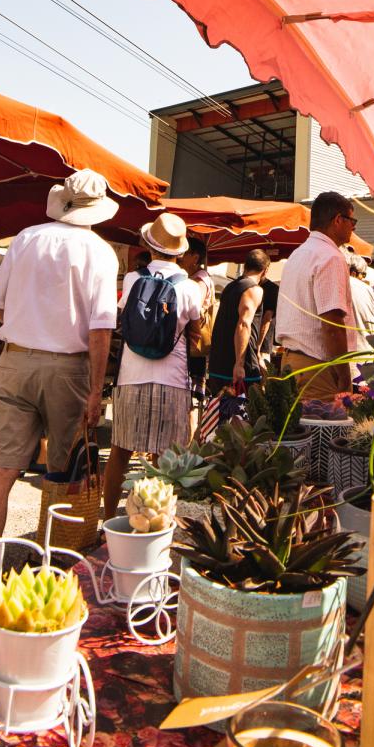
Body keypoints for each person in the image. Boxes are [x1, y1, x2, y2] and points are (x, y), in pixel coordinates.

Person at [0, 169, 118, 584]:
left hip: (15, 360)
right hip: (68, 369)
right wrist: (96, 390)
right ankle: (57, 572)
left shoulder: (27, 238)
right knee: (66, 475)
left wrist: (23, 324)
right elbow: (101, 329)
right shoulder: (100, 252)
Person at [103, 212, 206, 519]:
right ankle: (155, 523)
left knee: (120, 451)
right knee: (166, 458)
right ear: (182, 252)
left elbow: (119, 322)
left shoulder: (134, 279)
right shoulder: (190, 288)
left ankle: (109, 520)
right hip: (172, 381)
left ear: (151, 245)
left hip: (130, 378)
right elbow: (196, 335)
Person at [275, 191, 356, 399]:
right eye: (352, 220)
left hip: (293, 361)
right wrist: (345, 377)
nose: (354, 226)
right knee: (319, 430)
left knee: (299, 429)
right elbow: (332, 324)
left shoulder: (299, 253)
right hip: (316, 367)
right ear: (338, 220)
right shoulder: (330, 257)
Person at [207, 248, 271, 420]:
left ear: (245, 266)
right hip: (238, 365)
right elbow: (244, 324)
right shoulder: (254, 289)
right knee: (243, 424)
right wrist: (240, 363)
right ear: (265, 270)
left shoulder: (230, 287)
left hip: (219, 362)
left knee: (219, 421)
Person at [181, 233, 216, 405]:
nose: (180, 256)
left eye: (185, 252)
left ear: (195, 257)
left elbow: (195, 307)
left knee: (191, 399)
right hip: (191, 343)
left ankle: (192, 431)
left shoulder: (200, 279)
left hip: (194, 342)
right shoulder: (194, 277)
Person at [345, 250, 374, 377]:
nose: (363, 279)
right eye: (363, 275)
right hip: (366, 355)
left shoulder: (337, 284)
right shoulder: (369, 290)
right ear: (353, 273)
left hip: (344, 356)